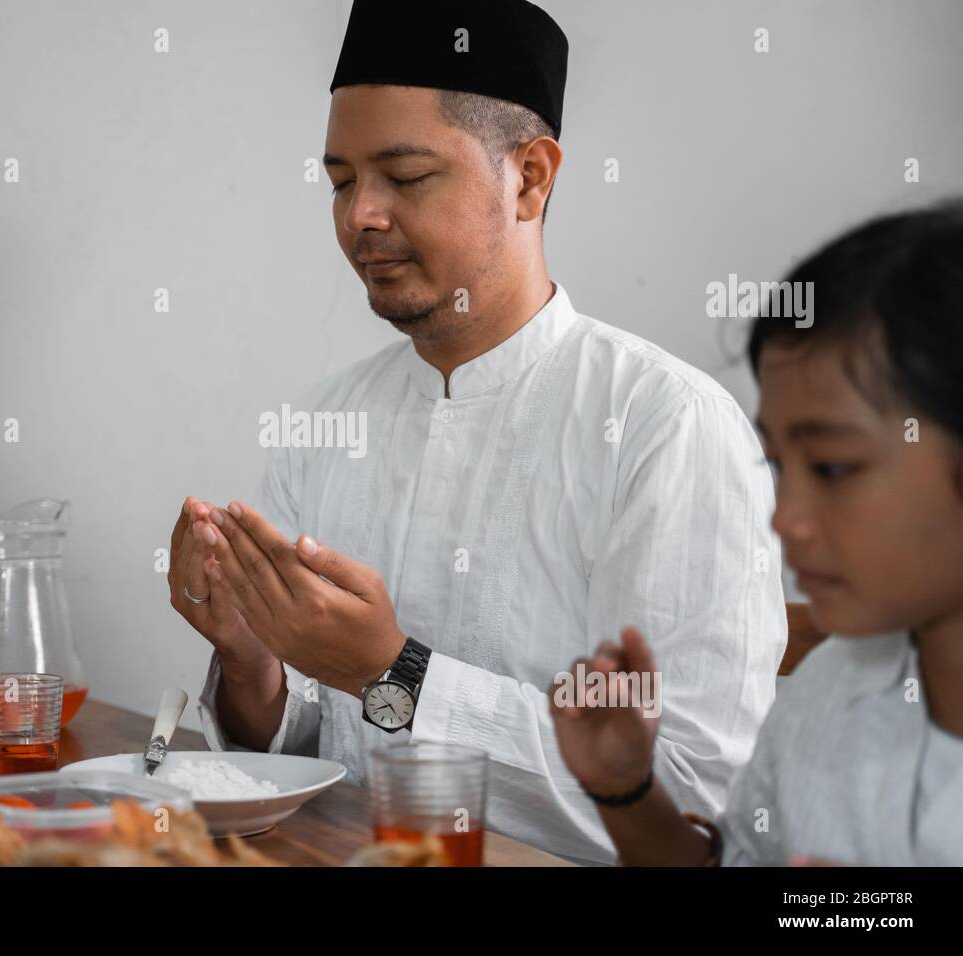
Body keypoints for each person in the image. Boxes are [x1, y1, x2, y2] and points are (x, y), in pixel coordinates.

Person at [167, 0, 785, 864]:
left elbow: (694, 810)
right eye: (342, 181)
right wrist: (247, 661)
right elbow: (315, 764)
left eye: (406, 176)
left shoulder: (666, 428)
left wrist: (396, 673)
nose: (360, 218)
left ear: (530, 177)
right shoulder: (323, 423)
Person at [549, 202, 963, 865]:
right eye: (777, 464)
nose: (784, 518)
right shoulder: (831, 690)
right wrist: (625, 789)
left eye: (832, 466)